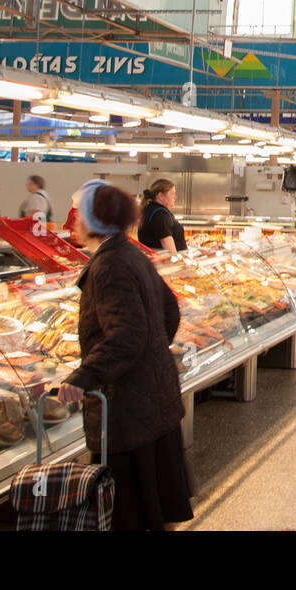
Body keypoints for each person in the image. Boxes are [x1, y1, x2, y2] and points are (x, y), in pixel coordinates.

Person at [56, 180, 193, 531]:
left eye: (79, 215)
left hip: (129, 408)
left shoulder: (109, 265)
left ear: (94, 219)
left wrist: (84, 377)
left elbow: (127, 335)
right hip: (154, 398)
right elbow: (169, 310)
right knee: (154, 509)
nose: (74, 223)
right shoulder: (131, 253)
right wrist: (154, 354)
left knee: (128, 510)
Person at [138, 178, 186, 252]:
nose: (175, 197)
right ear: (160, 196)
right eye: (172, 194)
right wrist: (177, 259)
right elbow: (166, 242)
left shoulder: (151, 209)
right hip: (163, 262)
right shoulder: (160, 214)